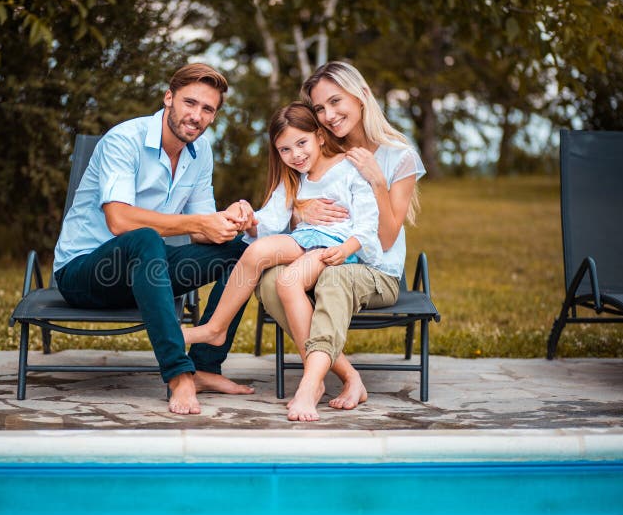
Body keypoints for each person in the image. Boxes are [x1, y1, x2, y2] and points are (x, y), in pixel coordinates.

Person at [52, 63, 256, 416]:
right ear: (168, 98)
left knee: (243, 253)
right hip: (88, 271)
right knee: (144, 237)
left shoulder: (200, 151)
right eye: (189, 103)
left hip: (150, 272)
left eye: (207, 109)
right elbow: (118, 220)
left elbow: (199, 231)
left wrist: (230, 220)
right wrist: (199, 222)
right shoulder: (124, 140)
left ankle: (205, 365)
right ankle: (178, 375)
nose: (196, 116)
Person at [255, 61, 427, 421]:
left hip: (374, 268)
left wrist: (377, 181)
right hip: (319, 257)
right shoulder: (319, 148)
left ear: (361, 95)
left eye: (336, 102)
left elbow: (386, 236)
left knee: (335, 276)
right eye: (320, 108)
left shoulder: (399, 155)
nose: (329, 115)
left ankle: (309, 383)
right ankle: (348, 377)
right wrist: (301, 211)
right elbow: (290, 201)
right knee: (271, 282)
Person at [182, 103, 382, 371]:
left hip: (338, 247)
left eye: (301, 143)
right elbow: (271, 220)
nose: (295, 155)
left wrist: (348, 248)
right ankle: (216, 328)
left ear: (320, 137)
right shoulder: (294, 179)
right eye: (285, 149)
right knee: (256, 251)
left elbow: (369, 220)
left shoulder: (348, 169)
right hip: (306, 240)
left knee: (285, 276)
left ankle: (313, 371)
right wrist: (247, 217)